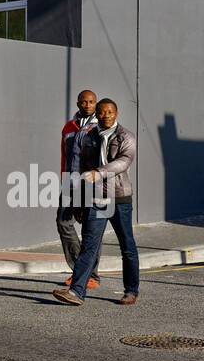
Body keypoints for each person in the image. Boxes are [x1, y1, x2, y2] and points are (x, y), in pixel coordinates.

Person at [52, 98, 140, 306]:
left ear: (116, 113)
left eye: (110, 112)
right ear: (97, 115)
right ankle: (76, 292)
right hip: (96, 198)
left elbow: (124, 162)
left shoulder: (125, 136)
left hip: (119, 198)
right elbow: (82, 167)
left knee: (127, 245)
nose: (106, 116)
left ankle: (131, 290)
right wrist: (79, 201)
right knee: (89, 245)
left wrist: (98, 173)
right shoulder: (89, 136)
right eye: (101, 112)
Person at [55, 90, 101, 290]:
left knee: (91, 229)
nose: (87, 105)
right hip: (70, 182)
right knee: (63, 222)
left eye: (91, 102)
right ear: (78, 103)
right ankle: (79, 270)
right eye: (84, 102)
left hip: (93, 183)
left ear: (96, 103)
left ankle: (92, 276)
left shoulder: (100, 127)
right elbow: (65, 156)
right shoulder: (68, 127)